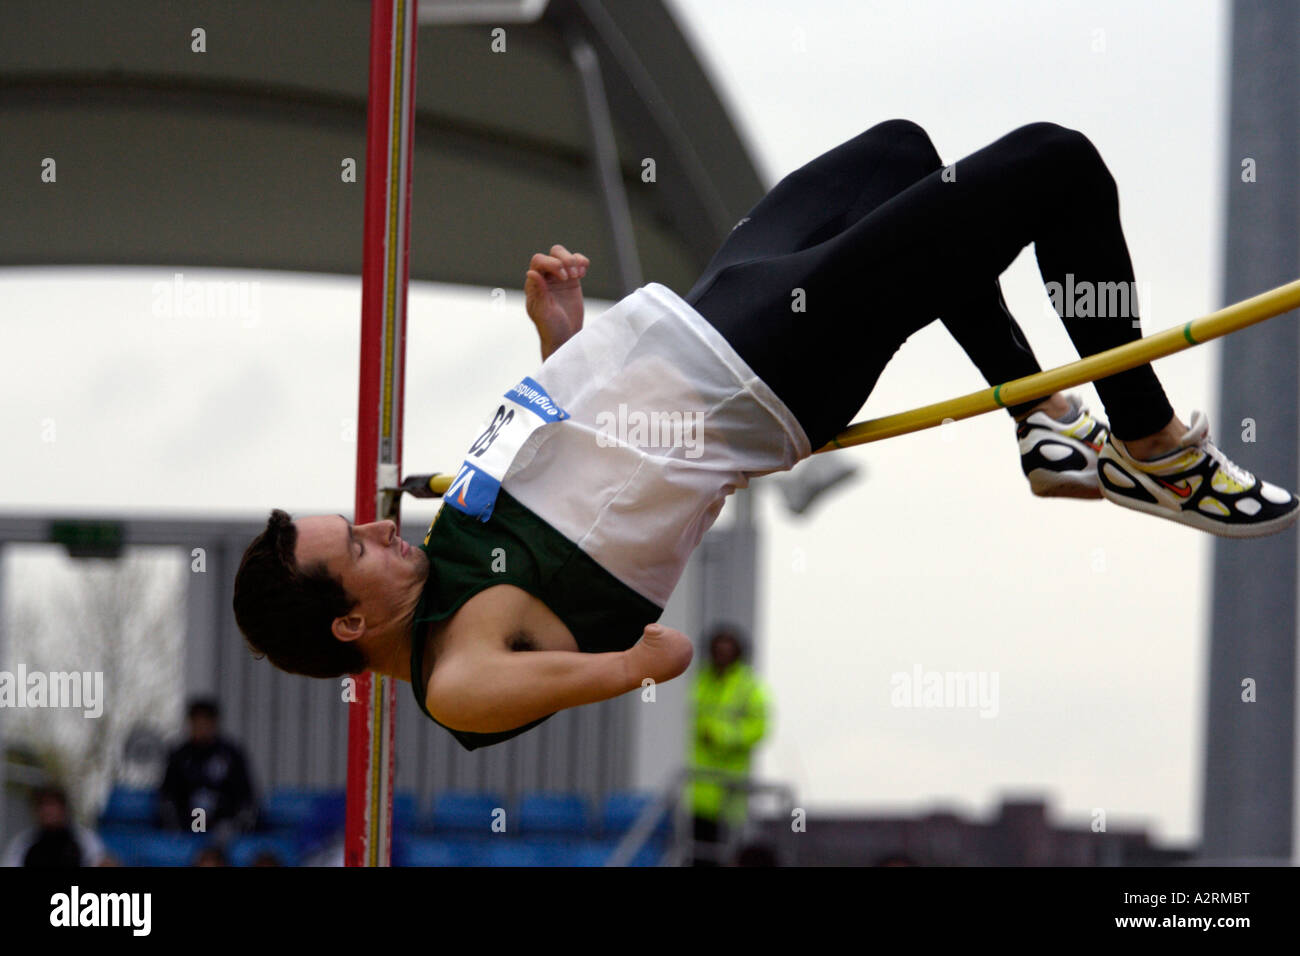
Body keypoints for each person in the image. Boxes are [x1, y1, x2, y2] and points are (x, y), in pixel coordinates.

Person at [233, 120, 1298, 752]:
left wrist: (564, 344)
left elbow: (560, 472)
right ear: (347, 624)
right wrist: (653, 526)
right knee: (1056, 166)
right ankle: (1153, 446)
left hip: (699, 312)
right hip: (762, 370)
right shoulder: (459, 672)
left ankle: (1040, 426)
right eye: (357, 545)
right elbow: (659, 653)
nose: (381, 521)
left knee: (900, 152)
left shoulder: (441, 572)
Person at [688, 626, 770, 866]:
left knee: (727, 853)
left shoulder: (749, 686)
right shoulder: (699, 682)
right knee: (697, 855)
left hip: (729, 789)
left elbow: (760, 728)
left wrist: (721, 735)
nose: (722, 654)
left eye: (728, 650)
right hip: (697, 788)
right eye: (718, 649)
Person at [158, 699, 257, 838]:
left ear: (215, 723)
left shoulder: (231, 755)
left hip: (224, 829)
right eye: (197, 722)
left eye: (205, 722)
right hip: (185, 827)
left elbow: (245, 796)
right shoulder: (179, 756)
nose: (201, 727)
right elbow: (167, 796)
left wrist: (234, 825)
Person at [2, 785, 106, 868]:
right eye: (43, 806)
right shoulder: (24, 843)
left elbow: (100, 860)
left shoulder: (83, 839)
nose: (48, 811)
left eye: (52, 805)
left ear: (64, 809)